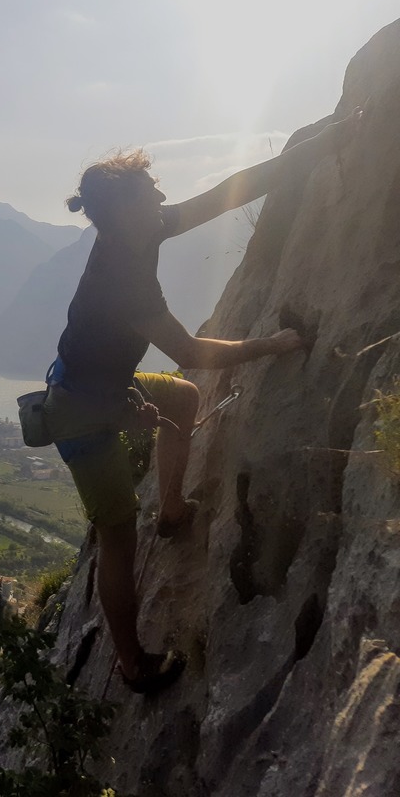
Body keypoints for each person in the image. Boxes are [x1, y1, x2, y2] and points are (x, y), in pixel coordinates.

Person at [47, 108, 362, 694]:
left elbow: (223, 195)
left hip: (105, 385)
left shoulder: (143, 228)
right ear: (120, 213)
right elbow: (189, 350)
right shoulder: (123, 278)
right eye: (149, 192)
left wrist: (319, 143)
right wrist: (270, 343)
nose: (163, 195)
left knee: (184, 402)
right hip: (79, 409)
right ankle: (133, 665)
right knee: (117, 536)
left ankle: (171, 509)